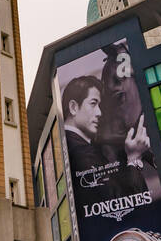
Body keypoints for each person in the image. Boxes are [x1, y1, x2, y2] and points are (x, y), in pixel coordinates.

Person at [61, 74, 146, 203]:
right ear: (73, 107)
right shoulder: (81, 152)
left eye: (99, 105)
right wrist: (134, 157)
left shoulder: (75, 147)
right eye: (93, 103)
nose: (99, 113)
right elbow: (122, 203)